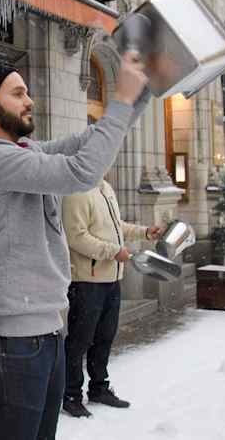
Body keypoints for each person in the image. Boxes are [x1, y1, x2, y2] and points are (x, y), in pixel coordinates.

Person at [0, 57, 148, 440]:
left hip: (43, 331)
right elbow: (81, 171)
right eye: (18, 93)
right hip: (13, 342)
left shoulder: (26, 152)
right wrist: (121, 98)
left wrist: (140, 94)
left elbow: (88, 143)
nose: (30, 100)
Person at [60, 179, 162, 417]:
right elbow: (76, 237)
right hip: (86, 281)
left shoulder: (105, 188)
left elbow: (117, 226)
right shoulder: (76, 191)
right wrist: (112, 251)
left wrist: (144, 232)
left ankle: (99, 388)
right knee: (79, 341)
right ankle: (71, 395)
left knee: (104, 338)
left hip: (112, 279)